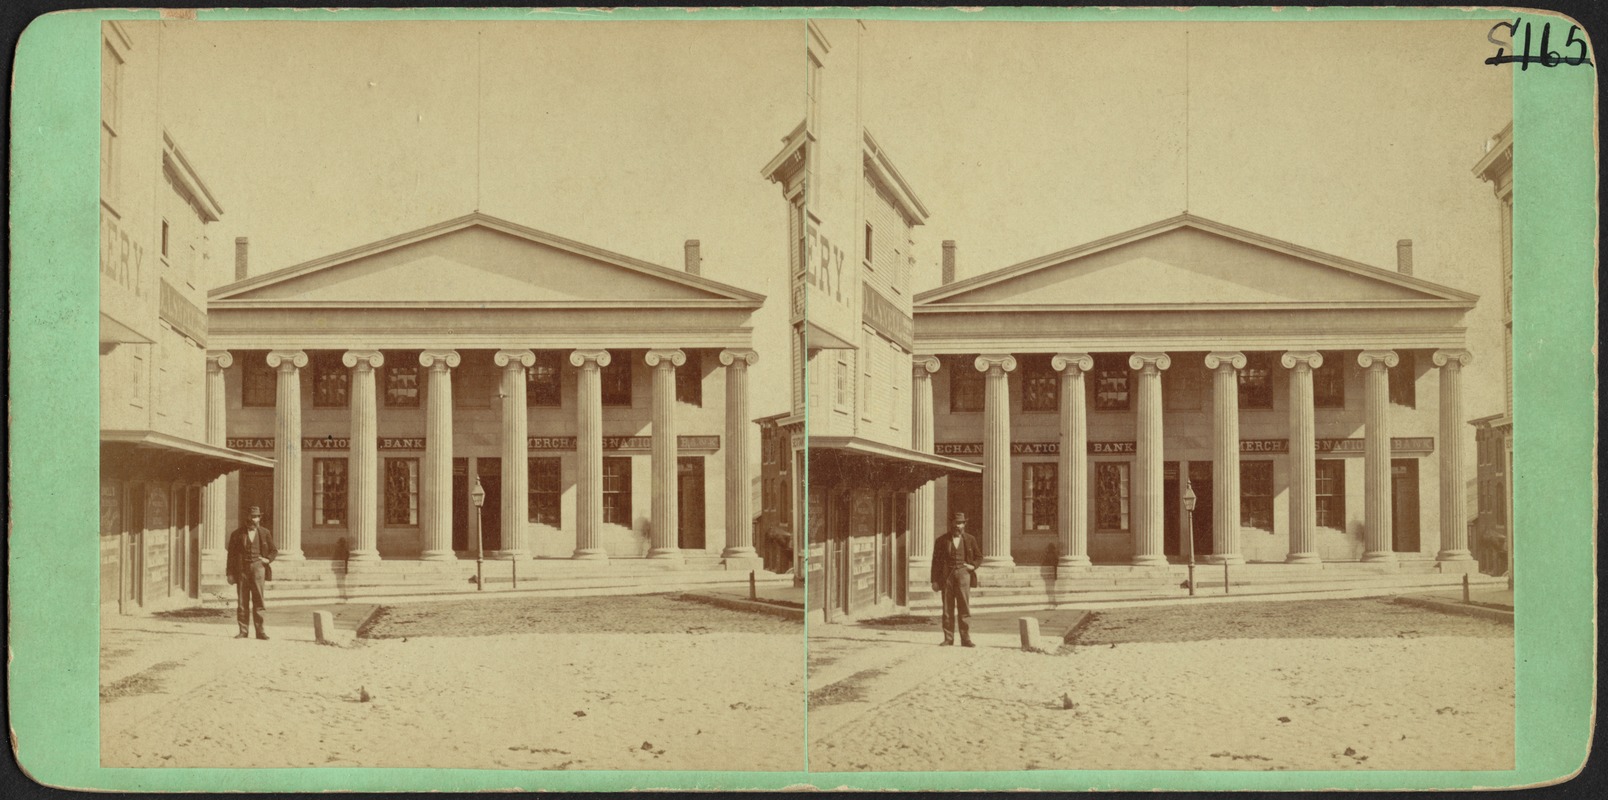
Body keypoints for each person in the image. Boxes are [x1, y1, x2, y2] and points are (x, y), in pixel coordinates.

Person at [226, 506, 277, 640]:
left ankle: (260, 632)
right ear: (247, 518)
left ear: (260, 518)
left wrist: (267, 560)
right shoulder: (236, 534)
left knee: (259, 601)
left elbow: (274, 550)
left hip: (258, 569)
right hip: (242, 570)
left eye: (256, 516)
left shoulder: (265, 533)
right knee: (242, 602)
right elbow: (231, 555)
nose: (253, 519)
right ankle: (243, 631)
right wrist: (229, 573)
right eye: (251, 516)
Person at [930, 512, 981, 647]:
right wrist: (934, 580)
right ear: (951, 524)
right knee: (947, 608)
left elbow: (978, 556)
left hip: (964, 575)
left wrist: (972, 566)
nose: (957, 525)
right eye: (955, 523)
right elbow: (935, 561)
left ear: (964, 524)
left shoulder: (970, 539)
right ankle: (948, 638)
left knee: (964, 607)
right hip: (947, 576)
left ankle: (966, 639)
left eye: (960, 523)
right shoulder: (941, 540)